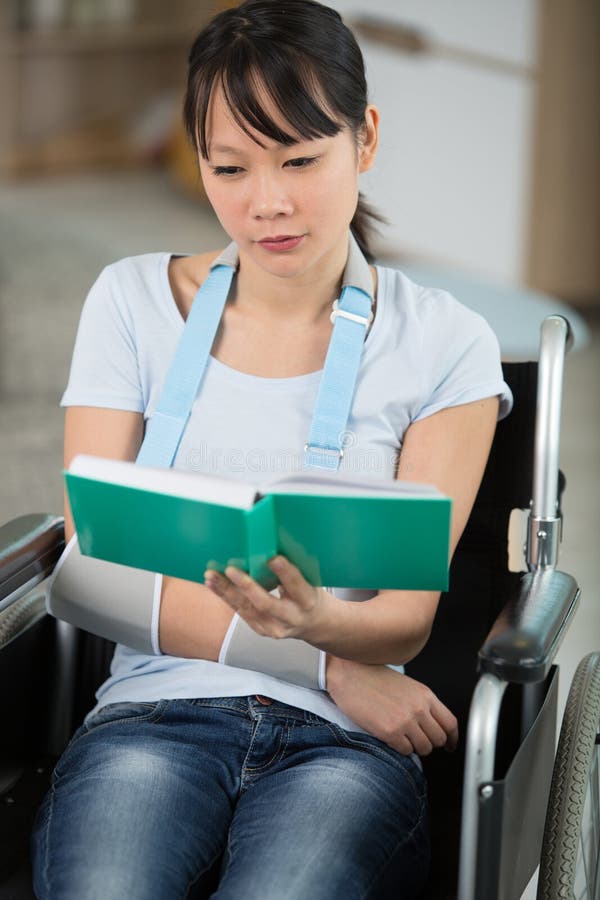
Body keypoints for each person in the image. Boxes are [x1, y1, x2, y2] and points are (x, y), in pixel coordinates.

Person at [31, 1, 512, 897]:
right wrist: (320, 659)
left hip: (343, 749)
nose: (269, 203)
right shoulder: (129, 304)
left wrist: (325, 628)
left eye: (301, 159)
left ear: (364, 138)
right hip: (151, 720)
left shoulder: (447, 344)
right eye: (231, 168)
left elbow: (406, 618)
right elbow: (91, 570)